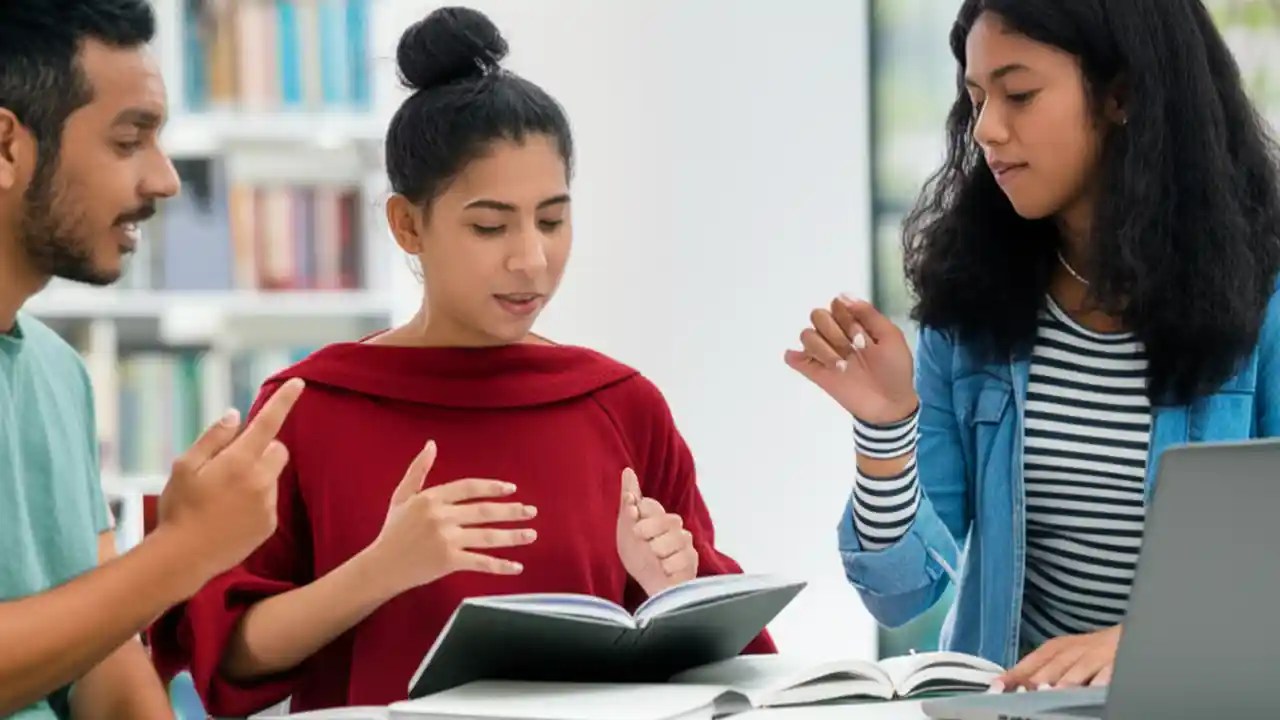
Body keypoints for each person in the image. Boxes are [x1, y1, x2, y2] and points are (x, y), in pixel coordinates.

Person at [149, 7, 774, 715]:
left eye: (552, 219)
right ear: (407, 225)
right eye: (490, 225)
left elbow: (732, 671)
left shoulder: (622, 404)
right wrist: (381, 570)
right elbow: (228, 657)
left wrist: (674, 588)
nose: (530, 259)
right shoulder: (310, 405)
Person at [788, 0, 1280, 694]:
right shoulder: (976, 303)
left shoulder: (1265, 306)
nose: (987, 130)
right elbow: (899, 594)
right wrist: (885, 431)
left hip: (1203, 698)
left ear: (1122, 94)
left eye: (1019, 94)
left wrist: (1146, 645)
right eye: (976, 98)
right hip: (1012, 705)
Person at [0, 2, 306, 718]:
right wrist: (187, 550)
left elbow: (104, 666)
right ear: (8, 147)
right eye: (128, 141)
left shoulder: (57, 373)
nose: (165, 180)